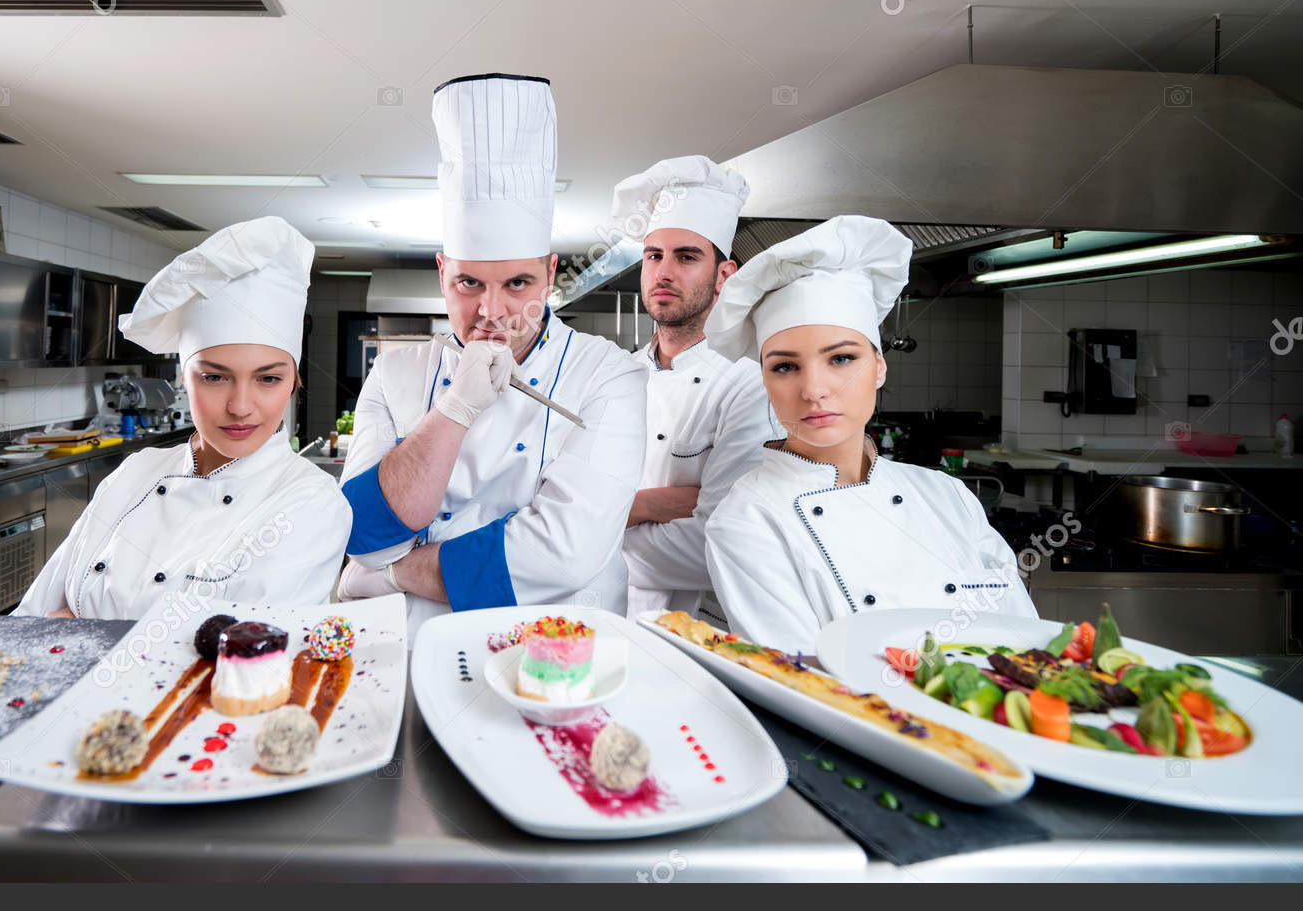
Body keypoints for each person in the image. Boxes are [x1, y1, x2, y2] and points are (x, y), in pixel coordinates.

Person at [337, 73, 647, 639]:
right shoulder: (396, 369)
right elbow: (362, 531)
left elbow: (563, 554)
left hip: (552, 649)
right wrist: (456, 408)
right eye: (469, 284)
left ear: (551, 274)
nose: (492, 311)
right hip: (408, 643)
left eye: (519, 283)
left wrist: (396, 572)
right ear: (442, 273)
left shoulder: (610, 375)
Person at [701, 215, 1036, 653]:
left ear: (879, 367)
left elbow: (1027, 647)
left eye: (840, 359)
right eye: (785, 366)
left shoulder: (947, 496)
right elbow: (809, 687)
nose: (814, 390)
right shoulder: (746, 520)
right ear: (765, 380)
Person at [13, 217, 352, 619]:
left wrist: (77, 619)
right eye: (214, 377)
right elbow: (35, 620)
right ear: (183, 378)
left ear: (293, 381)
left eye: (268, 378)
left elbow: (245, 658)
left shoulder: (310, 499)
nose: (240, 406)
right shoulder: (136, 471)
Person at [610, 155, 778, 620]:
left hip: (697, 633)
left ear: (724, 276)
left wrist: (607, 518)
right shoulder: (617, 376)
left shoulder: (750, 384)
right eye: (653, 256)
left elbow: (717, 545)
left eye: (686, 257)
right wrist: (663, 504)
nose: (664, 272)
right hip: (604, 617)